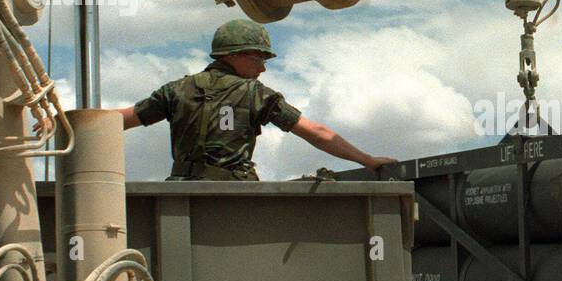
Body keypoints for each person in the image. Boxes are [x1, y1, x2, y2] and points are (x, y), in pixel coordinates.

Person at [117, 18, 395, 180]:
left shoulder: (176, 90)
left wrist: (73, 124)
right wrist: (368, 160)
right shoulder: (256, 94)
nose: (262, 67)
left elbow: (119, 121)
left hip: (178, 195)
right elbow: (317, 134)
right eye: (258, 57)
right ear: (234, 54)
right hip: (234, 198)